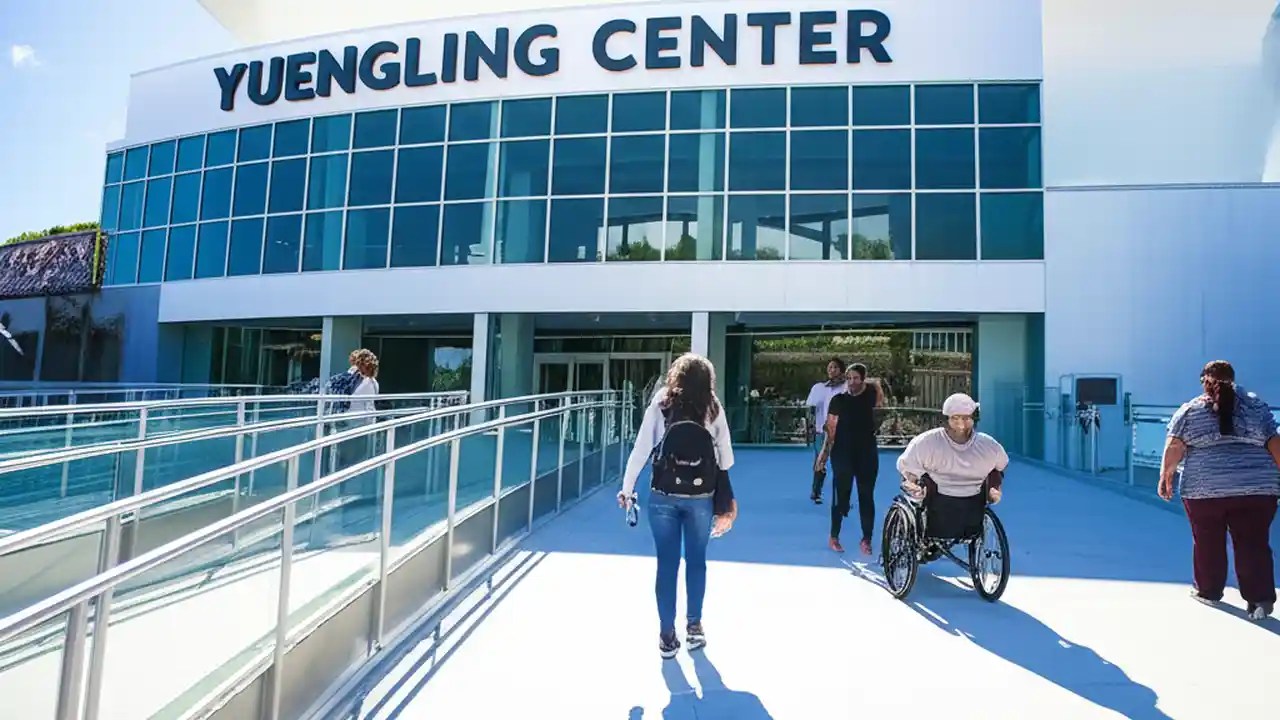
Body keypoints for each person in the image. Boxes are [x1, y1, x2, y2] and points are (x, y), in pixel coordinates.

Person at [618, 353, 738, 659]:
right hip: (701, 496)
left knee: (666, 564)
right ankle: (694, 627)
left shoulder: (662, 401)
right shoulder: (712, 405)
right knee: (696, 561)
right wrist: (725, 498)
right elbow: (726, 457)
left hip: (663, 494)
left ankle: (667, 635)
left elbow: (642, 446)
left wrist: (627, 487)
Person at [1159, 360, 1280, 621]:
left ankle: (1209, 591)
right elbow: (1274, 442)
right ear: (1233, 380)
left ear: (1204, 380)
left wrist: (1166, 476)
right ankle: (1259, 600)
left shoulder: (1190, 410)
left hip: (1205, 490)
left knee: (1207, 540)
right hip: (1257, 488)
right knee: (1253, 542)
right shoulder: (1256, 407)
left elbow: (1174, 446)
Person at [896, 393, 1008, 540]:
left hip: (970, 504)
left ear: (973, 419)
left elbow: (999, 468)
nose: (961, 425)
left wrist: (993, 489)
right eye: (955, 418)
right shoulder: (927, 442)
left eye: (966, 418)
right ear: (946, 419)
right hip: (937, 501)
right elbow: (908, 470)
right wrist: (913, 484)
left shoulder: (988, 446)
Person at [816, 363, 884, 554]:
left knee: (866, 495)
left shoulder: (871, 394)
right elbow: (831, 429)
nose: (851, 382)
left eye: (856, 378)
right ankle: (834, 536)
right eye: (849, 378)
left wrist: (872, 383)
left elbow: (879, 393)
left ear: (863, 379)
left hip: (867, 452)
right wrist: (823, 456)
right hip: (842, 452)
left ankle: (867, 538)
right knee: (841, 496)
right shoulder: (838, 400)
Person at [805, 358, 848, 504]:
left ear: (841, 370)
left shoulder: (846, 388)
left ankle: (842, 495)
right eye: (830, 367)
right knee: (819, 461)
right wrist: (809, 428)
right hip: (821, 431)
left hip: (842, 431)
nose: (832, 370)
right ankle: (816, 492)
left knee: (842, 464)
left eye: (835, 367)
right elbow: (810, 409)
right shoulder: (819, 388)